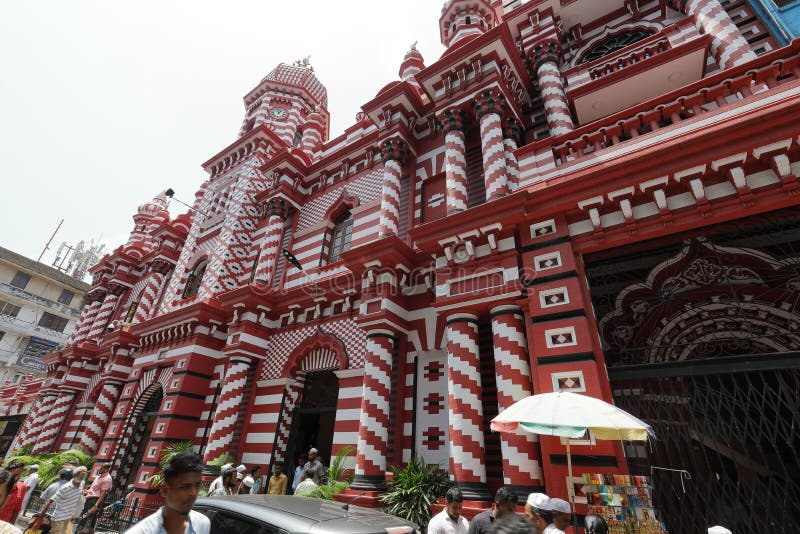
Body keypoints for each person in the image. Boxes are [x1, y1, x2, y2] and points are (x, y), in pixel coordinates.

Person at [124, 451, 210, 534]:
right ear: (165, 490)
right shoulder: (141, 531)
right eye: (185, 487)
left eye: (197, 485)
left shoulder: (202, 523)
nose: (193, 493)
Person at [39, 466, 87, 534]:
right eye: (80, 475)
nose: (82, 477)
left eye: (83, 476)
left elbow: (42, 500)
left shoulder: (52, 485)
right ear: (73, 476)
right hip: (58, 517)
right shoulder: (65, 487)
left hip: (56, 516)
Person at [76, 463, 113, 534]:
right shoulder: (99, 476)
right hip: (89, 499)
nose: (99, 469)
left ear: (106, 469)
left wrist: (96, 505)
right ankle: (80, 531)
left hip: (94, 500)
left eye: (101, 468)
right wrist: (87, 491)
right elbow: (94, 489)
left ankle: (83, 531)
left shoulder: (107, 479)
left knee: (87, 517)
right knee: (85, 516)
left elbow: (103, 493)